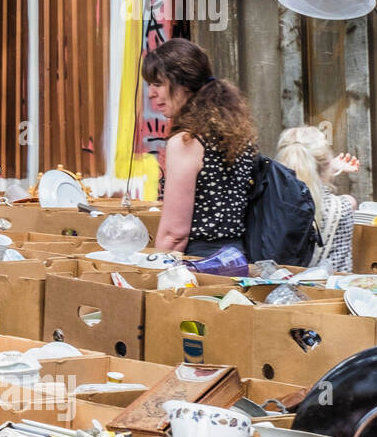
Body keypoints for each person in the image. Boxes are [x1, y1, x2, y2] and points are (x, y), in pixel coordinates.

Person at [144, 38, 257, 256]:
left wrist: (155, 273)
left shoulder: (187, 141)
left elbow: (174, 234)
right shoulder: (237, 136)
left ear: (183, 84)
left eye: (158, 84)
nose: (151, 93)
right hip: (237, 258)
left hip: (198, 264)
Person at [276, 126, 361, 272]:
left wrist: (327, 167)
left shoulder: (265, 201)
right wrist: (326, 169)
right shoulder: (343, 207)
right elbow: (341, 271)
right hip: (322, 291)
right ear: (326, 164)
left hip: (267, 289)